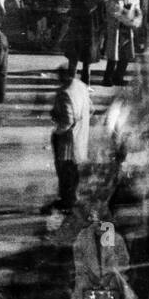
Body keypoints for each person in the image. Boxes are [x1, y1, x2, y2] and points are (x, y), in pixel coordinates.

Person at [50, 64, 92, 211]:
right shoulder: (81, 86)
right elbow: (91, 108)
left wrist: (57, 132)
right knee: (74, 169)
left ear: (65, 75)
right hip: (81, 135)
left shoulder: (64, 93)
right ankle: (72, 198)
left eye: (60, 75)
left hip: (67, 139)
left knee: (64, 170)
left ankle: (66, 201)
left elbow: (67, 121)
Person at [101, 0, 142, 87]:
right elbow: (116, 14)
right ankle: (107, 78)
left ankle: (119, 77)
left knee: (125, 56)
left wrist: (136, 22)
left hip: (128, 31)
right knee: (113, 55)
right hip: (117, 29)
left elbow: (138, 12)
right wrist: (130, 21)